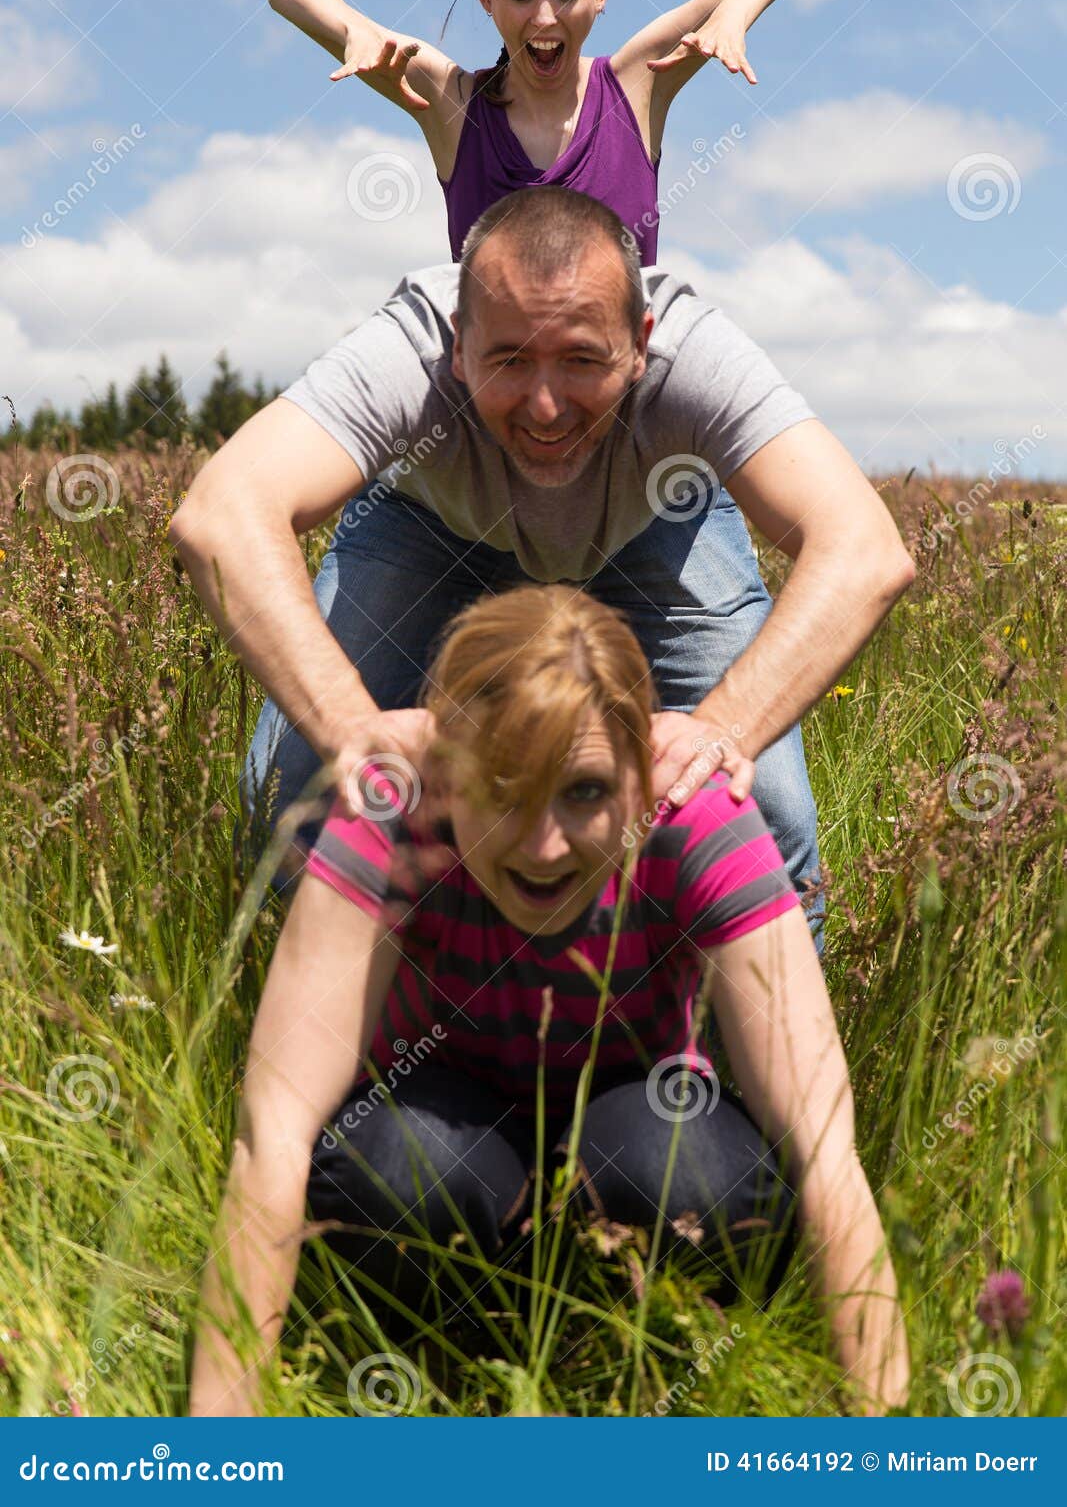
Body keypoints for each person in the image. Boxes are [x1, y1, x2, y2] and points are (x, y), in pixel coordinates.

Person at [188, 584, 910, 1418]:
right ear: (448, 774)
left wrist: (881, 1445)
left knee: (690, 1174)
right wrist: (220, 1443)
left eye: (585, 793)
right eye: (504, 793)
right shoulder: (392, 813)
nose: (543, 848)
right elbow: (270, 1134)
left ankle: (631, 1347)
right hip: (448, 1143)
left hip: (639, 1137)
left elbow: (823, 1151)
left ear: (641, 773)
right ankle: (457, 1348)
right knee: (396, 1172)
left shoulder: (698, 815)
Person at [169, 188, 916, 944]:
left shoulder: (699, 355)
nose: (546, 406)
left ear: (641, 343)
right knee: (294, 793)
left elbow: (863, 548)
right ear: (457, 344)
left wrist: (723, 728)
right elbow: (222, 513)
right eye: (509, 361)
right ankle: (326, 1039)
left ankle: (749, 1053)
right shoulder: (407, 347)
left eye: (582, 361)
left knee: (761, 807)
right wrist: (348, 725)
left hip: (655, 526)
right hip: (430, 528)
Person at [265, 0, 808, 262]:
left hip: (621, 419)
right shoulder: (455, 106)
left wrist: (733, 18)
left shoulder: (638, 82)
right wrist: (353, 27)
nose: (545, 17)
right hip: (489, 417)